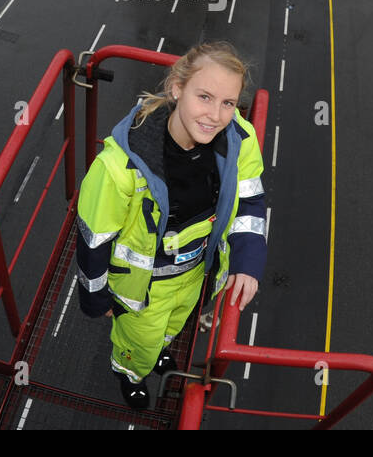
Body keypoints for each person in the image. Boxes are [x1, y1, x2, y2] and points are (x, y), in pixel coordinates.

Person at [75, 42, 266, 409]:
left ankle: (157, 349)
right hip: (143, 291)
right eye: (205, 97)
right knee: (138, 347)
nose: (216, 115)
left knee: (173, 327)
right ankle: (127, 372)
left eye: (228, 103)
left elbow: (250, 199)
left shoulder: (239, 139)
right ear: (177, 88)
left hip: (195, 276)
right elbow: (93, 240)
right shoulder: (119, 169)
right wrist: (96, 297)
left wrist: (248, 261)